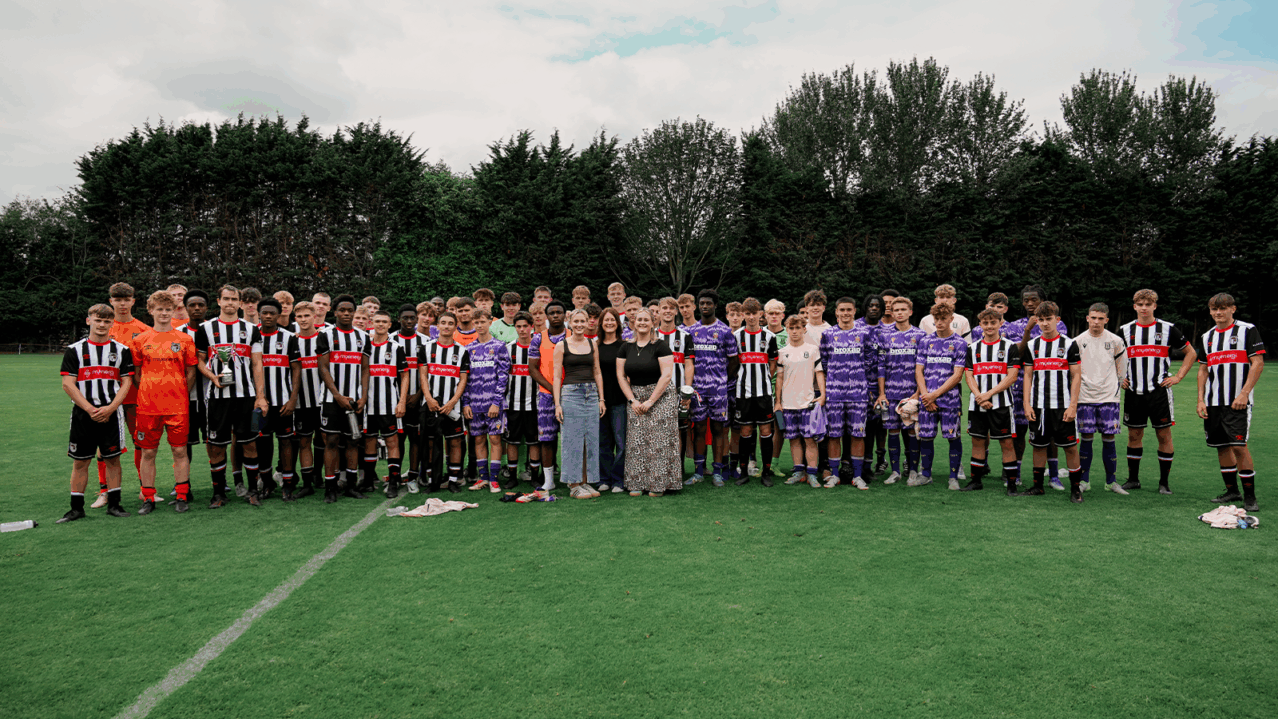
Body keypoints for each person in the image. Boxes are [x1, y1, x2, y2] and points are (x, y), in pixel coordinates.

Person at [58, 304, 135, 522]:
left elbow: (126, 382)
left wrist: (110, 408)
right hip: (83, 414)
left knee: (113, 459)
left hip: (111, 414)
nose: (102, 325)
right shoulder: (74, 350)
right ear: (88, 321)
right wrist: (90, 409)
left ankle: (114, 504)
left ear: (112, 323)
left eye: (106, 321)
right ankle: (76, 508)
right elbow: (68, 384)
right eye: (98, 320)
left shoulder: (122, 350)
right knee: (80, 462)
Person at [194, 285, 268, 507]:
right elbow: (199, 361)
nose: (230, 303)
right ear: (218, 301)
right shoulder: (205, 329)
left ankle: (253, 490)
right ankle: (218, 493)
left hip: (246, 396)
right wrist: (212, 376)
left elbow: (257, 364)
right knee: (217, 446)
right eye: (226, 299)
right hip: (217, 397)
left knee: (250, 443)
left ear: (240, 303)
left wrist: (260, 396)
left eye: (234, 299)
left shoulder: (251, 329)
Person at [1119, 289, 1197, 494]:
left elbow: (1191, 353)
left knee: (1164, 436)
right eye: (1140, 304)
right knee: (1134, 435)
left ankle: (1164, 483)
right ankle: (1133, 480)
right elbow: (1113, 356)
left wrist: (1178, 377)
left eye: (1148, 304)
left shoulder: (1168, 328)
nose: (1144, 308)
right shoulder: (1125, 330)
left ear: (1155, 306)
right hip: (1134, 391)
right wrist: (1120, 378)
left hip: (1159, 392)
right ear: (1134, 307)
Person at [129, 291, 198, 514]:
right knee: (148, 453)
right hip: (148, 407)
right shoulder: (140, 340)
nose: (164, 313)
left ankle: (181, 495)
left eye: (168, 309)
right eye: (160, 309)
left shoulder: (184, 339)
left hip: (177, 407)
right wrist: (150, 391)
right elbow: (137, 374)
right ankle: (148, 497)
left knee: (180, 451)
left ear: (174, 311)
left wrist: (179, 392)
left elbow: (191, 372)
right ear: (151, 311)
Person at [1197, 293, 1265, 512]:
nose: (1218, 313)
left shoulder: (1247, 330)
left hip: (1237, 402)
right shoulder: (1207, 336)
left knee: (1238, 446)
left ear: (1232, 309)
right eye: (1214, 309)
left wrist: (1244, 393)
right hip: (1213, 402)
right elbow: (1203, 369)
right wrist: (1200, 399)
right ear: (1210, 311)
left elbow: (1257, 363)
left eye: (1223, 308)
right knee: (1221, 447)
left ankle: (1250, 497)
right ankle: (1232, 491)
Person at [1002, 286, 1069, 482]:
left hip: (1049, 385)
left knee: (1050, 432)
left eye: (1034, 300)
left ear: (1042, 301)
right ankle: (1015, 474)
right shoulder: (1014, 326)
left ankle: (1053, 476)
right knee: (1019, 430)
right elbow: (1017, 355)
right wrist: (1028, 330)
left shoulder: (1058, 324)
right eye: (1026, 300)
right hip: (1020, 384)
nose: (1030, 303)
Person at [1020, 302, 1084, 502]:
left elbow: (1076, 376)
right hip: (1039, 406)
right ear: (1036, 321)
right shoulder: (1032, 345)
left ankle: (1075, 489)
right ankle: (1038, 486)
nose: (1045, 323)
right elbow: (1028, 375)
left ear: (1057, 320)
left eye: (1049, 319)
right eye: (1041, 320)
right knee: (1038, 446)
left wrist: (1073, 405)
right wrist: (1026, 404)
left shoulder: (1069, 344)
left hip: (1063, 406)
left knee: (1070, 447)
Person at [617, 308, 682, 496]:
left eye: (646, 320)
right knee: (636, 442)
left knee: (658, 442)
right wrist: (632, 400)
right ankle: (636, 483)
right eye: (639, 320)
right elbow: (621, 376)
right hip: (636, 397)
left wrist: (651, 401)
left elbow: (666, 375)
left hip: (661, 397)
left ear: (653, 323)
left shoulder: (661, 346)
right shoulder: (626, 347)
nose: (642, 323)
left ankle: (658, 485)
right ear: (633, 323)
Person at [820, 297, 878, 489]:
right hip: (835, 393)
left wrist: (859, 380)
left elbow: (870, 360)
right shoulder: (828, 334)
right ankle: (835, 475)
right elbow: (825, 362)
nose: (845, 313)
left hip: (858, 393)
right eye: (842, 310)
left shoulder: (864, 333)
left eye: (848, 310)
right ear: (836, 312)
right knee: (834, 434)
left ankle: (857, 476)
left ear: (854, 311)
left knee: (858, 434)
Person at [962, 309, 1021, 494]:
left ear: (1000, 323)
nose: (989, 326)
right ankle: (976, 481)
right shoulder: (972, 348)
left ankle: (1011, 485)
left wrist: (988, 395)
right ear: (980, 325)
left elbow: (1012, 376)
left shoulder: (1010, 346)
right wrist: (979, 396)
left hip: (1001, 404)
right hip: (977, 404)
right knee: (978, 441)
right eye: (985, 323)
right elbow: (969, 375)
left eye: (993, 322)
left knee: (1007, 443)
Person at [317, 295, 369, 502]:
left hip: (355, 399)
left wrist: (364, 396)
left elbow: (365, 369)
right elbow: (323, 367)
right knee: (331, 441)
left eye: (350, 310)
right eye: (342, 310)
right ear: (335, 312)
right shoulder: (325, 334)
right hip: (331, 399)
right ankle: (330, 487)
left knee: (353, 441)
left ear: (354, 312)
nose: (346, 313)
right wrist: (337, 395)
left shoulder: (363, 336)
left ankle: (351, 486)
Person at [686, 289, 739, 487]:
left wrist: (722, 381)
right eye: (702, 303)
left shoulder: (725, 331)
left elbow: (734, 361)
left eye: (708, 303)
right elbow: (688, 361)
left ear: (715, 305)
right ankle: (699, 471)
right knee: (699, 429)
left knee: (718, 429)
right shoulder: (691, 331)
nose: (705, 306)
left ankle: (717, 472)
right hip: (697, 390)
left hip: (718, 390)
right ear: (698, 306)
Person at [103, 281, 149, 505]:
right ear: (110, 301)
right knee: (106, 445)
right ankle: (104, 491)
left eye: (126, 299)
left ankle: (145, 489)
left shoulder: (144, 329)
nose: (122, 304)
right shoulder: (104, 327)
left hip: (135, 396)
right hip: (108, 397)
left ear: (133, 301)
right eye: (118, 299)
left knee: (140, 441)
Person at [1074, 303, 1127, 493]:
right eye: (1093, 318)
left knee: (1109, 437)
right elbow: (1073, 370)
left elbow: (1122, 368)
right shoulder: (1078, 341)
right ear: (1087, 318)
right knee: (1086, 437)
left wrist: (1117, 385)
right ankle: (1084, 481)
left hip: (1109, 397)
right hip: (1085, 396)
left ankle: (1111, 482)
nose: (1096, 322)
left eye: (1100, 318)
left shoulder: (1116, 341)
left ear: (1107, 320)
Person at [553, 309, 606, 498]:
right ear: (570, 322)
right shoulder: (561, 345)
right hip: (571, 394)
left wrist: (601, 399)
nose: (579, 325)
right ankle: (573, 484)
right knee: (571, 440)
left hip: (591, 394)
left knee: (590, 440)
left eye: (583, 321)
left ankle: (585, 481)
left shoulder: (592, 344)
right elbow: (557, 376)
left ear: (587, 323)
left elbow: (597, 371)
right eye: (576, 321)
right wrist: (557, 404)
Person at [913, 303, 968, 488]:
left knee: (953, 437)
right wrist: (925, 396)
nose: (939, 322)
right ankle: (925, 475)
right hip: (927, 400)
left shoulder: (960, 343)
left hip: (949, 401)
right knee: (926, 436)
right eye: (936, 319)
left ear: (951, 319)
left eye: (943, 319)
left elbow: (957, 375)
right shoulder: (925, 341)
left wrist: (934, 395)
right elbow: (919, 371)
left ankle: (953, 477)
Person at [253, 299, 301, 500]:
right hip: (258, 402)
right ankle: (267, 482)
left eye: (272, 313)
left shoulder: (289, 337)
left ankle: (287, 484)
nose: (268, 316)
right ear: (259, 314)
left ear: (279, 315)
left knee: (286, 441)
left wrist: (292, 399)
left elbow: (296, 369)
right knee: (261, 442)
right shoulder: (252, 336)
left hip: (283, 402)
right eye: (264, 312)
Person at [420, 311, 471, 493]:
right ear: (438, 325)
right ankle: (433, 480)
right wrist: (428, 398)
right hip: (431, 404)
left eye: (450, 323)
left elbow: (463, 380)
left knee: (455, 442)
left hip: (452, 406)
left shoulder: (462, 351)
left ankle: (453, 481)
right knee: (431, 443)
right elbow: (423, 376)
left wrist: (452, 402)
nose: (447, 326)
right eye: (443, 322)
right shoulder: (427, 348)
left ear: (455, 326)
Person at [731, 298, 778, 485]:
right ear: (743, 315)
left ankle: (766, 472)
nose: (751, 317)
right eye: (748, 314)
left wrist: (764, 378)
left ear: (761, 314)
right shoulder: (736, 336)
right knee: (745, 430)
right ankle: (744, 472)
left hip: (763, 393)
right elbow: (733, 363)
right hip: (743, 393)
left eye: (754, 313)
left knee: (766, 430)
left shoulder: (769, 337)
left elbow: (773, 364)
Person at [776, 315, 827, 488]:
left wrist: (823, 395)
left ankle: (812, 474)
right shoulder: (782, 352)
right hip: (788, 404)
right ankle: (798, 472)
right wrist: (778, 402)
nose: (795, 331)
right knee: (794, 439)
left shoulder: (812, 350)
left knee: (810, 440)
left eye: (798, 328)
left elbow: (819, 373)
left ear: (804, 329)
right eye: (791, 328)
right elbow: (779, 379)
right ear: (787, 330)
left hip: (808, 403)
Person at [463, 309, 510, 493]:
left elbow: (503, 377)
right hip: (475, 405)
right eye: (476, 322)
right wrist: (466, 403)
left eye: (483, 321)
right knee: (479, 440)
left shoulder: (499, 346)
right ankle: (482, 478)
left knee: (495, 439)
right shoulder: (469, 349)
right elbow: (465, 379)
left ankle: (494, 479)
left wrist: (496, 403)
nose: (479, 325)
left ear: (490, 322)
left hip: (493, 405)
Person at [880, 296, 926, 484]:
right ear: (891, 313)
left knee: (912, 432)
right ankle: (895, 471)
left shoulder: (920, 335)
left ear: (910, 312)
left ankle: (913, 470)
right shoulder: (884, 336)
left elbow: (923, 367)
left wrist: (918, 393)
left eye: (903, 309)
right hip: (890, 394)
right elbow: (881, 366)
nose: (899, 313)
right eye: (896, 310)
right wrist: (882, 393)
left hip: (911, 394)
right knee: (892, 431)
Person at [364, 310, 410, 497]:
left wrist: (402, 401)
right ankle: (368, 481)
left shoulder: (396, 347)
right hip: (367, 404)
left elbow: (405, 375)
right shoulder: (364, 346)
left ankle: (393, 481)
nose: (381, 324)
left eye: (384, 321)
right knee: (369, 441)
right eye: (377, 321)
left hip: (389, 403)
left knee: (392, 441)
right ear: (371, 323)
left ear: (390, 325)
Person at [290, 301, 328, 498]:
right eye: (300, 316)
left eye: (307, 316)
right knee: (304, 441)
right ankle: (307, 484)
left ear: (315, 316)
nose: (303, 320)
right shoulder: (292, 341)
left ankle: (324, 477)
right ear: (295, 319)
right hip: (301, 402)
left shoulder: (324, 338)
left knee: (326, 440)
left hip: (323, 400)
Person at [528, 301, 567, 491]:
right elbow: (533, 369)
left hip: (570, 394)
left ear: (565, 315)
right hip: (546, 395)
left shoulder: (573, 336)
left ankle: (572, 477)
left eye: (559, 312)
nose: (555, 315)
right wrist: (553, 388)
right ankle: (548, 480)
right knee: (546, 438)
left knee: (571, 438)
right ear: (546, 316)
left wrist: (564, 389)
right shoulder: (538, 338)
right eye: (552, 313)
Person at [392, 304, 429, 492]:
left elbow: (429, 372)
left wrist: (419, 394)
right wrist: (400, 397)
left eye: (412, 318)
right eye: (405, 318)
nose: (408, 321)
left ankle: (413, 476)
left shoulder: (426, 341)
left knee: (416, 439)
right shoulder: (391, 339)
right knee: (397, 440)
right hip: (395, 399)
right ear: (398, 319)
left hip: (418, 399)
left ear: (416, 319)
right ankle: (395, 476)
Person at [657, 297, 696, 472]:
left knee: (679, 431)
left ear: (675, 312)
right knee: (657, 432)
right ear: (658, 311)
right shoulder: (651, 335)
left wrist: (687, 392)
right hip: (655, 393)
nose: (667, 311)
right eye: (664, 308)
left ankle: (677, 471)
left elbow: (689, 365)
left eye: (671, 308)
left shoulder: (685, 336)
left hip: (678, 393)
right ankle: (659, 470)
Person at [503, 311, 540, 488]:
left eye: (525, 326)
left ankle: (534, 477)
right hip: (513, 404)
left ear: (531, 327)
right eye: (519, 326)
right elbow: (502, 377)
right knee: (512, 442)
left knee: (534, 441)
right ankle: (512, 477)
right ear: (515, 328)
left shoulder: (538, 347)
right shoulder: (508, 348)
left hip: (535, 404)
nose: (522, 329)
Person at [596, 308, 628, 492]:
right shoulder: (595, 346)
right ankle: (604, 479)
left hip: (620, 400)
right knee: (603, 443)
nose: (609, 323)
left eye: (612, 320)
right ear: (601, 323)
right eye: (606, 320)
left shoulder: (625, 346)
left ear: (618, 323)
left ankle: (618, 480)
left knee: (621, 443)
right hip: (600, 400)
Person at [180, 290, 210, 470]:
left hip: (210, 396)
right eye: (192, 305)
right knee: (183, 444)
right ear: (186, 308)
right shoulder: (177, 333)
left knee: (214, 442)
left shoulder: (215, 330)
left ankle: (218, 480)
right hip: (184, 398)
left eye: (201, 305)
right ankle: (184, 481)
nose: (197, 308)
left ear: (207, 307)